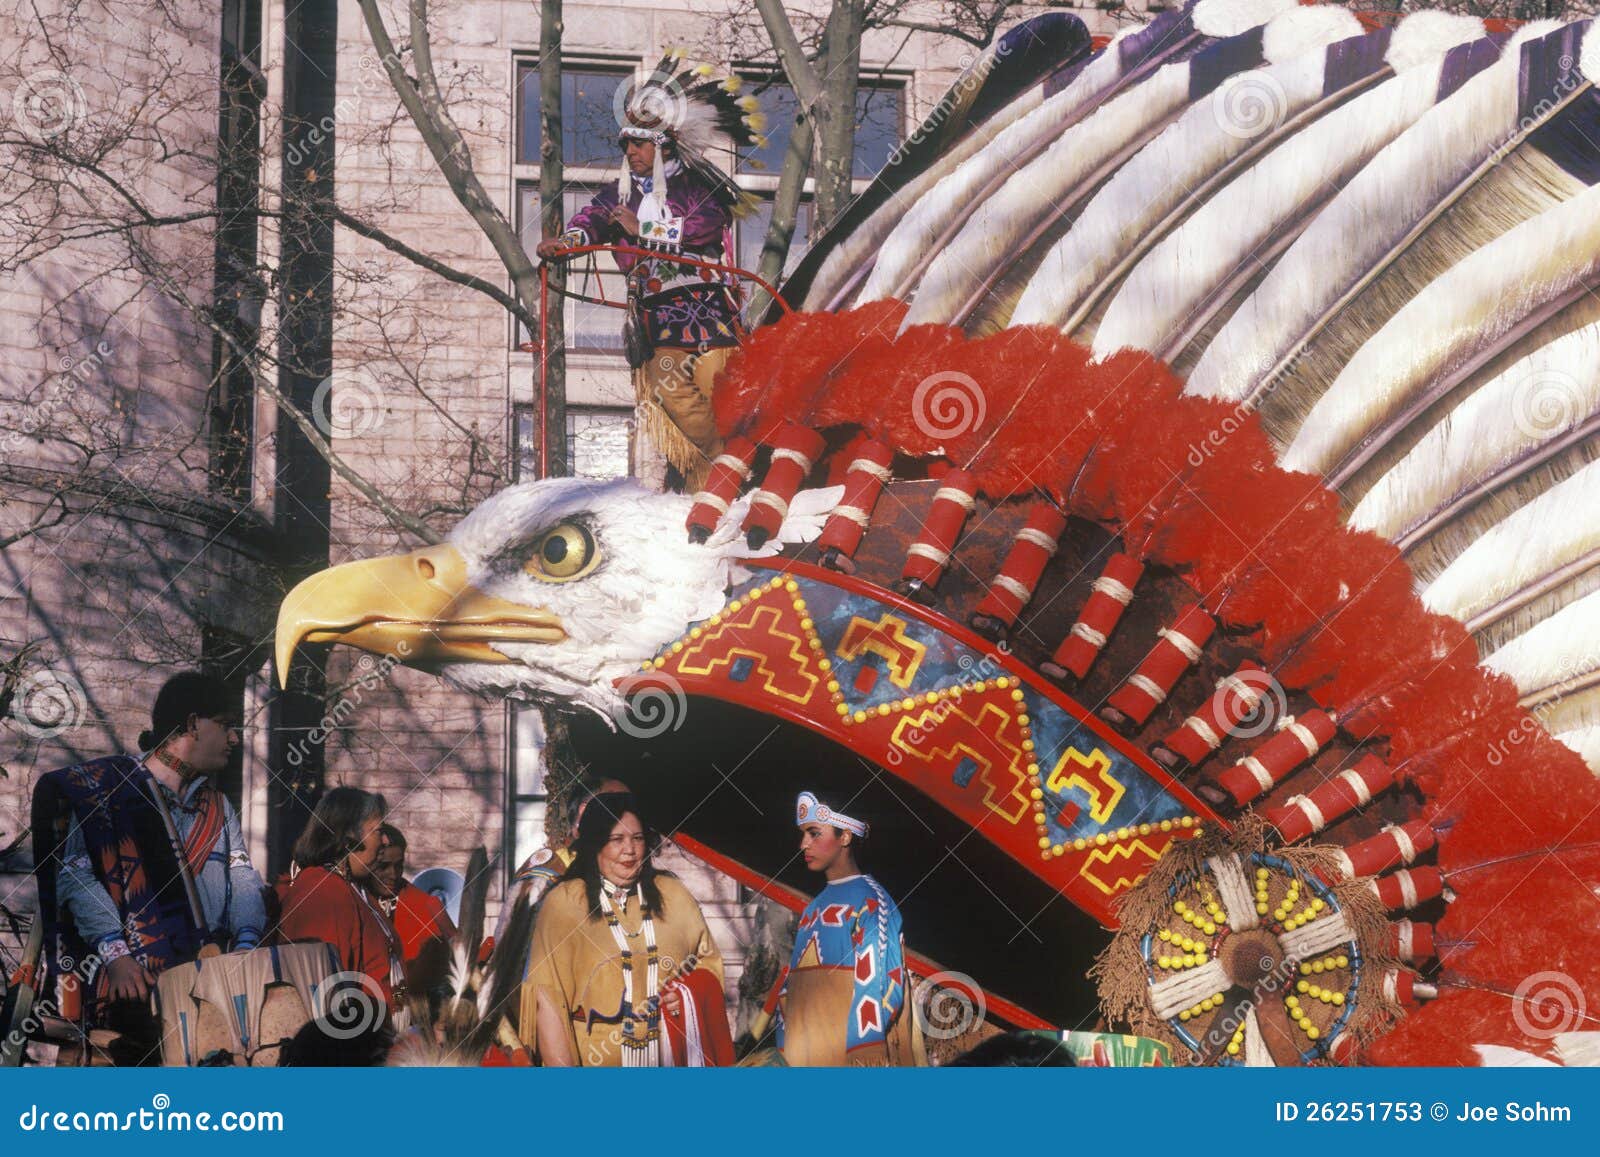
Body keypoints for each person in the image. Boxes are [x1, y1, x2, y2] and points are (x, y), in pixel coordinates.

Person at [535, 54, 765, 489]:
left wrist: (641, 228)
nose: (630, 153)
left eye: (639, 144)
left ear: (661, 146)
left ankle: (713, 486)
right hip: (657, 322)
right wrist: (563, 245)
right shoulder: (616, 194)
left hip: (712, 317)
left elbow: (705, 226)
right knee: (666, 388)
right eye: (626, 145)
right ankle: (730, 471)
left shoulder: (698, 189)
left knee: (725, 399)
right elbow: (588, 222)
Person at [32, 671, 267, 1034]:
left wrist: (247, 945)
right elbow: (77, 878)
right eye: (226, 725)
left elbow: (242, 878)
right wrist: (116, 956)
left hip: (213, 989)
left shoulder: (219, 807)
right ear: (192, 725)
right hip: (133, 991)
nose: (235, 738)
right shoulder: (106, 791)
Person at [522, 792, 730, 1066]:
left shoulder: (674, 895)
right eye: (616, 839)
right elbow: (547, 999)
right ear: (595, 844)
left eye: (638, 838)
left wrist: (687, 995)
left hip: (671, 1058)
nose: (629, 849)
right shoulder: (565, 903)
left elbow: (708, 961)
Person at [774, 792, 919, 1066]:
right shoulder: (811, 910)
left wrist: (858, 1057)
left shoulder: (872, 903)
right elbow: (791, 991)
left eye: (814, 833)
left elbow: (883, 990)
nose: (803, 844)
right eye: (803, 834)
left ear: (845, 837)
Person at [275, 787, 403, 1015]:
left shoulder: (354, 889)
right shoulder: (324, 891)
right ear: (348, 839)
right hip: (352, 1039)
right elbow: (327, 993)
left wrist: (402, 1012)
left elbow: (386, 972)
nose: (385, 840)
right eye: (377, 832)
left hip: (376, 1034)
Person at [368, 824, 456, 1001]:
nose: (393, 874)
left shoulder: (427, 905)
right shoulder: (350, 898)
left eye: (398, 866)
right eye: (383, 866)